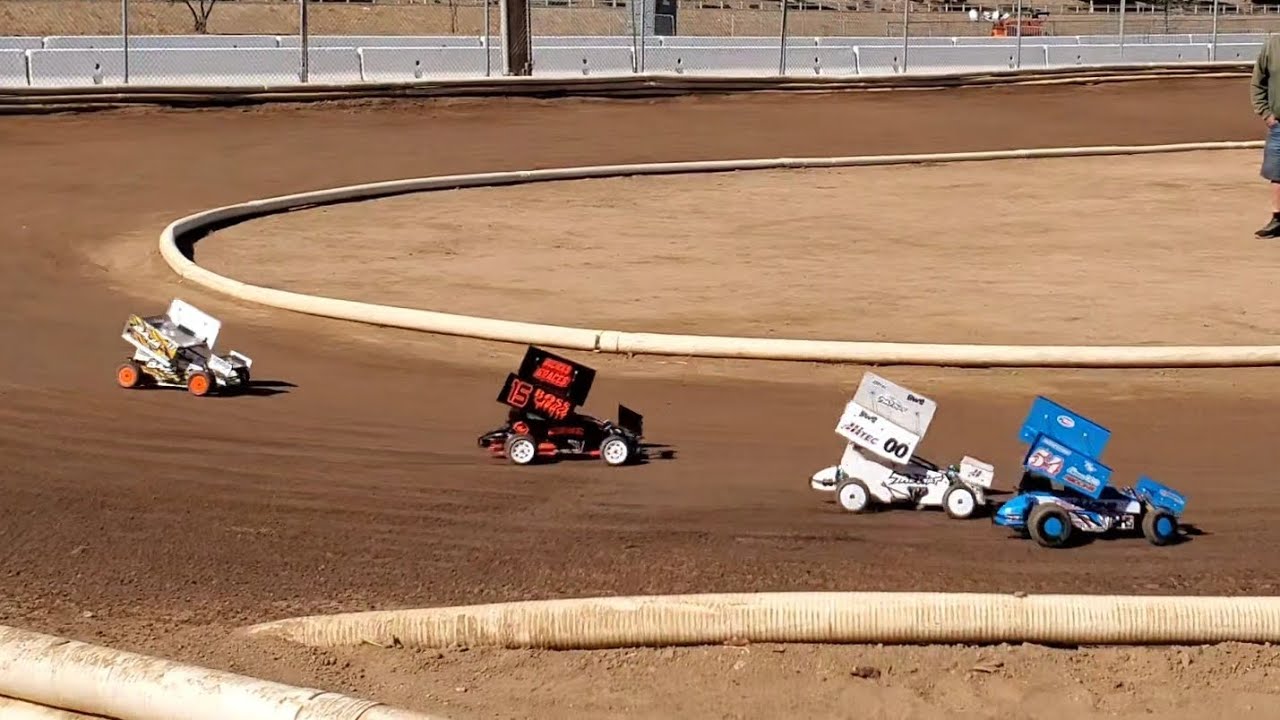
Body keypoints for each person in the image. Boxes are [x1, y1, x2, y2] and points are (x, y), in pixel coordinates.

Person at [1250, 33, 1280, 238]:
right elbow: (1257, 83)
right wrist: (1266, 114)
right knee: (1277, 174)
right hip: (1279, 124)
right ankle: (1278, 219)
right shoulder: (1272, 46)